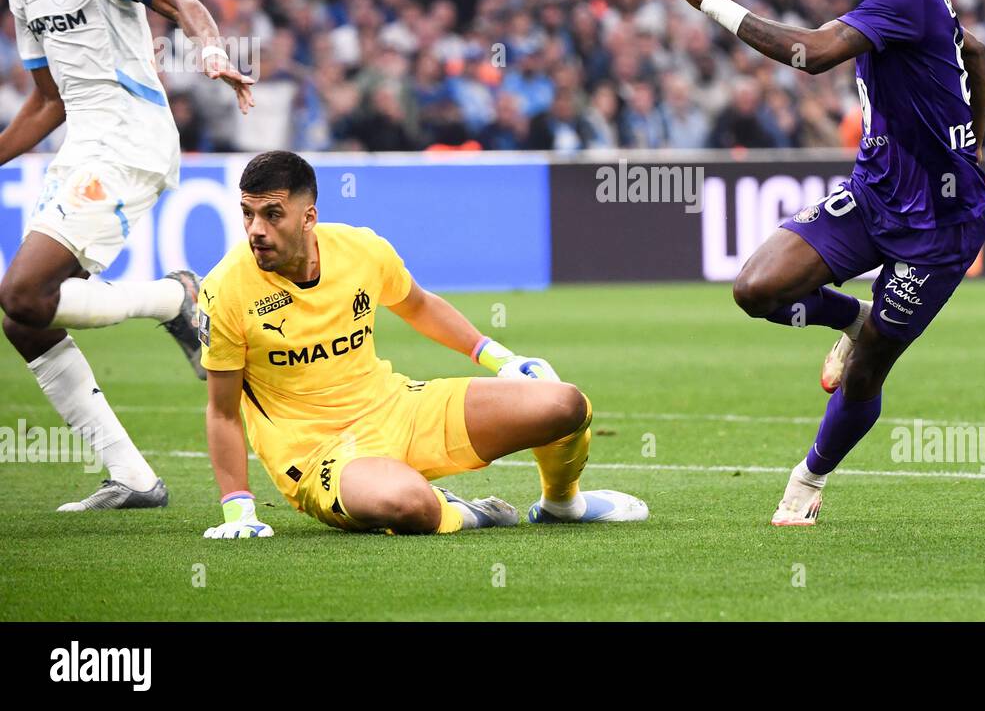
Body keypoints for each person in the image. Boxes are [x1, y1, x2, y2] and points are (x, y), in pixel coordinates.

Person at [662, 0, 985, 526]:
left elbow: (810, 56)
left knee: (866, 372)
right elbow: (974, 52)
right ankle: (849, 315)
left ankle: (807, 481)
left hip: (939, 227)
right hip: (874, 193)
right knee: (756, 290)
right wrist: (974, 140)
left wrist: (712, 3)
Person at [199, 151, 648, 537]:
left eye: (272, 214)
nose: (256, 229)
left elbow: (418, 305)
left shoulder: (361, 249)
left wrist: (502, 359)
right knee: (406, 504)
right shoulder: (226, 288)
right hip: (320, 456)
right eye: (247, 213)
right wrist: (239, 508)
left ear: (308, 217)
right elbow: (222, 410)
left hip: (398, 407)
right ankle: (461, 511)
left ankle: (562, 505)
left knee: (563, 404)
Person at [0, 0, 254, 511]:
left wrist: (211, 52)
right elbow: (46, 102)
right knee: (24, 320)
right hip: (82, 145)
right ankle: (134, 478)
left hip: (130, 137)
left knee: (21, 290)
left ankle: (176, 299)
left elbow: (179, 1)